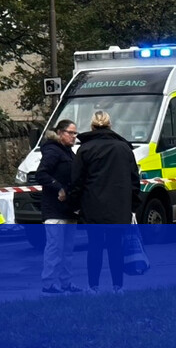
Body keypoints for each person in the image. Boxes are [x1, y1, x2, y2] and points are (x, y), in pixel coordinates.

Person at [69, 110, 140, 294]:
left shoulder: (84, 150)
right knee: (115, 246)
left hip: (93, 207)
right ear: (110, 125)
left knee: (95, 246)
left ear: (92, 126)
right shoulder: (124, 148)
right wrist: (133, 205)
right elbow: (134, 180)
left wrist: (74, 205)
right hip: (119, 207)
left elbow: (77, 181)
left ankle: (94, 286)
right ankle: (118, 286)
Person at [35, 119, 81, 294]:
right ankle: (48, 284)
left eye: (75, 133)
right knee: (55, 248)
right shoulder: (53, 151)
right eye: (71, 133)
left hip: (69, 209)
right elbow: (41, 174)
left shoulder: (69, 152)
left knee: (67, 249)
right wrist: (58, 187)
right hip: (54, 209)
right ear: (61, 133)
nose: (74, 137)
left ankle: (66, 282)